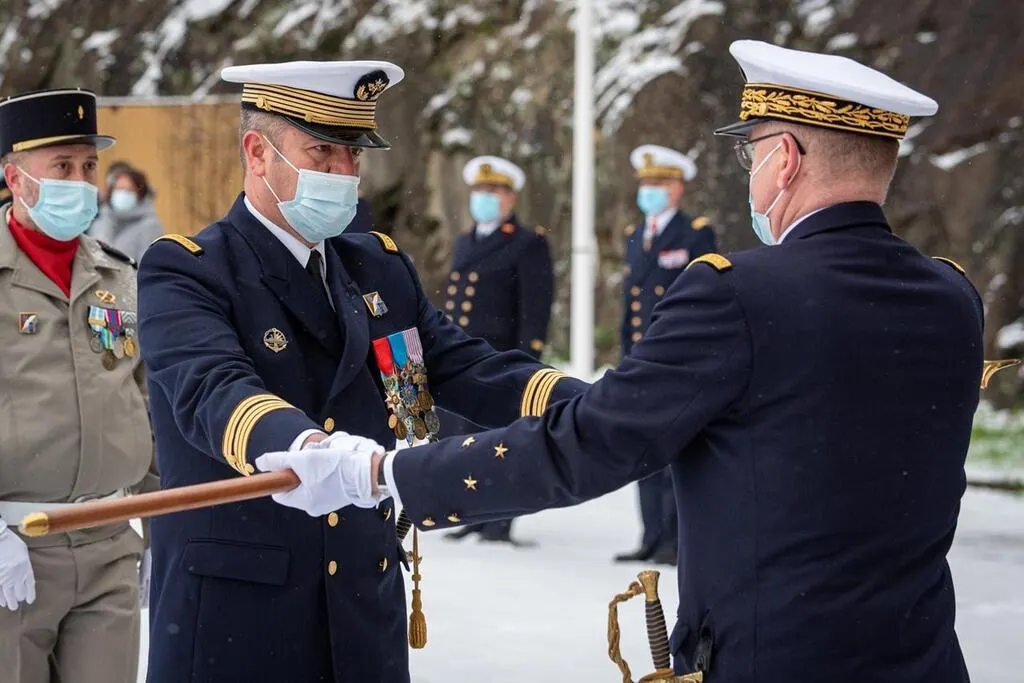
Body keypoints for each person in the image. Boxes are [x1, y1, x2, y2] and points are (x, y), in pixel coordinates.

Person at [257, 40, 984, 683]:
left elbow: (588, 446)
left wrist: (385, 474)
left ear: (783, 158)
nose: (750, 171)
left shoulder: (739, 293)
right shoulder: (952, 296)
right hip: (920, 657)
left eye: (750, 150)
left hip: (776, 657)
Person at [136, 60, 585, 683]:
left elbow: (461, 366)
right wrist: (310, 450)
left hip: (359, 601)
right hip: (240, 614)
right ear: (257, 152)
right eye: (321, 151)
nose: (343, 174)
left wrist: (592, 403)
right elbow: (213, 390)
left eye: (354, 155)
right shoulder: (189, 270)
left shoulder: (376, 265)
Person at [0, 88, 157, 683]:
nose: (81, 181)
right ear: (15, 177)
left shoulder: (117, 273)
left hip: (110, 545)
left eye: (88, 166)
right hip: (14, 549)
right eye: (61, 166)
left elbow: (144, 401)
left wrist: (163, 524)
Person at [441, 155, 554, 545]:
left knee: (500, 444)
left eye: (493, 192)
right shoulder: (465, 240)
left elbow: (533, 309)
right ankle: (472, 512)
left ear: (510, 198)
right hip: (464, 359)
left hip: (500, 359)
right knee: (466, 440)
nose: (485, 198)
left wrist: (524, 364)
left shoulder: (526, 243)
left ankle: (499, 520)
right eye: (480, 191)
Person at [616, 144, 717, 566]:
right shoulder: (635, 235)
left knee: (675, 449)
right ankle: (651, 535)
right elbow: (631, 302)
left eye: (659, 184)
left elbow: (701, 295)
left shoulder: (696, 233)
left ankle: (675, 541)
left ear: (677, 187)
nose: (651, 191)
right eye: (646, 184)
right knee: (644, 448)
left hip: (677, 357)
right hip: (641, 356)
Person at [89, 165, 165, 263]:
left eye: (129, 190)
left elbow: (148, 267)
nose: (122, 194)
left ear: (140, 194)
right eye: (119, 189)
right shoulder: (101, 223)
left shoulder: (149, 226)